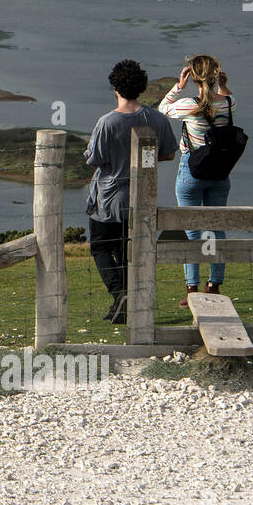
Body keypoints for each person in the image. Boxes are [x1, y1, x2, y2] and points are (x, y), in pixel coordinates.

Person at [85, 60, 178, 325]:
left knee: (101, 248)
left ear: (115, 87)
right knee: (129, 250)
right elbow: (169, 153)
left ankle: (120, 293)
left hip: (109, 197)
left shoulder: (107, 122)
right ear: (141, 87)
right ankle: (125, 302)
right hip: (141, 197)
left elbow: (94, 159)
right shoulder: (157, 118)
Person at [159, 54, 235, 308]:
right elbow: (232, 101)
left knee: (191, 231)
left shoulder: (186, 105)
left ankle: (191, 288)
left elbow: (162, 109)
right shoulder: (226, 103)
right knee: (217, 229)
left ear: (192, 76)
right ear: (216, 76)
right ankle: (214, 285)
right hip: (220, 173)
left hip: (191, 171)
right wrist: (222, 86)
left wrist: (178, 86)